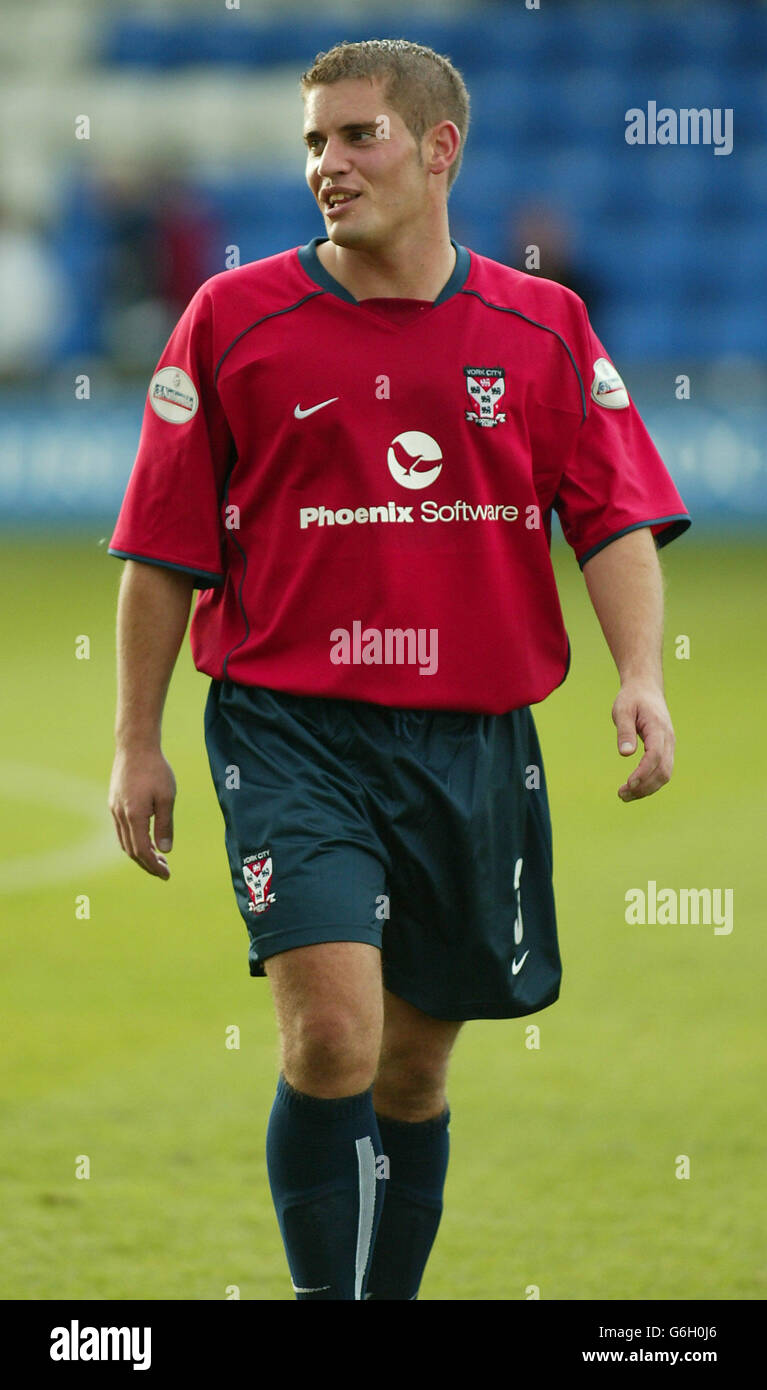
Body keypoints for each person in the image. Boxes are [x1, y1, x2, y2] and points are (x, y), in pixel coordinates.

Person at [107, 38, 691, 1301]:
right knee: (332, 1037)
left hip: (470, 742)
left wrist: (638, 672)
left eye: (357, 134)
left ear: (438, 150)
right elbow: (159, 549)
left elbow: (611, 518)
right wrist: (135, 740)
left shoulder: (540, 325)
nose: (327, 163)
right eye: (313, 141)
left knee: (413, 1071)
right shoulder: (232, 317)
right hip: (289, 732)